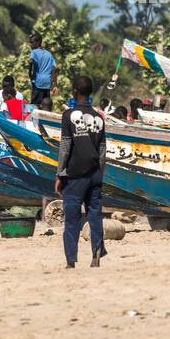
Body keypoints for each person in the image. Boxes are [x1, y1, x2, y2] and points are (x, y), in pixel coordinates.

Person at [55, 75, 106, 268]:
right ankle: (96, 256)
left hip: (75, 174)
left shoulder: (68, 115)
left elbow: (65, 146)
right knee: (95, 216)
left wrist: (60, 174)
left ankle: (71, 261)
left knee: (72, 218)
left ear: (74, 92)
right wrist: (100, 174)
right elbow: (102, 149)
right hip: (94, 174)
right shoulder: (99, 118)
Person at [28, 34, 56, 110]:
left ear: (38, 42)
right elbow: (53, 69)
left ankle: (33, 120)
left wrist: (30, 73)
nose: (30, 44)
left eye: (31, 42)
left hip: (38, 82)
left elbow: (32, 62)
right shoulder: (49, 54)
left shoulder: (34, 52)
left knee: (34, 104)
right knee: (45, 104)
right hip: (47, 83)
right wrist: (54, 84)